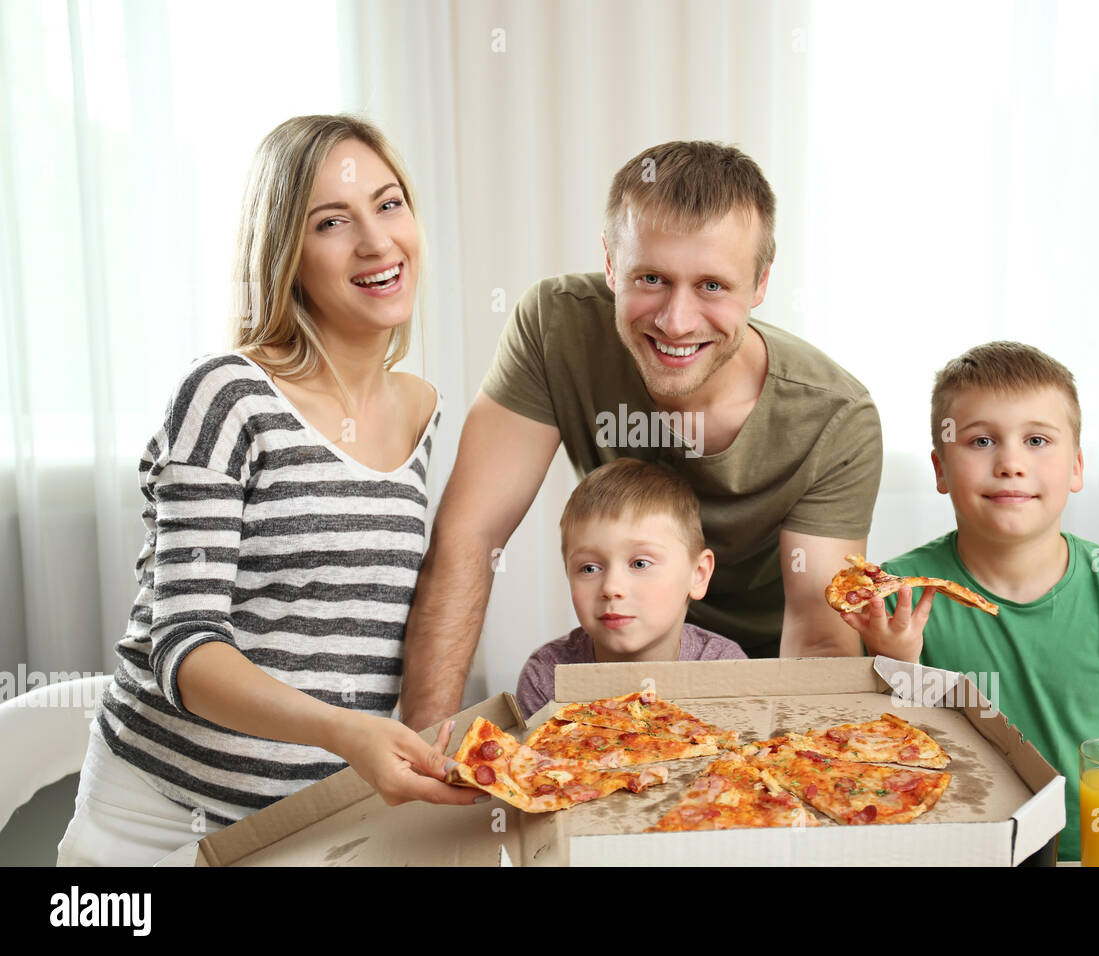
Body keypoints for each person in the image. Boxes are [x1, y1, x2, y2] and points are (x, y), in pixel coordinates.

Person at [57, 114, 481, 867]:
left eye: (389, 205)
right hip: (158, 813)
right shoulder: (227, 394)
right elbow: (184, 647)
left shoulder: (422, 409)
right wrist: (349, 733)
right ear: (285, 253)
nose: (378, 242)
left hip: (307, 824)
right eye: (331, 222)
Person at [402, 141, 882, 731]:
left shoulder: (836, 417)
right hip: (610, 677)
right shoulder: (554, 327)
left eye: (712, 286)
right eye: (651, 278)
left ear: (760, 283)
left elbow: (819, 638)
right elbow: (467, 538)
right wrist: (428, 746)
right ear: (610, 264)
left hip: (757, 694)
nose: (675, 321)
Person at [841, 341, 1099, 862]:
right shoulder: (895, 594)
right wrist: (897, 663)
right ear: (941, 470)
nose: (1011, 462)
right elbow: (878, 757)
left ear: (1076, 468)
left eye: (1037, 440)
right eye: (982, 440)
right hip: (973, 850)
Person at [515, 458, 746, 718]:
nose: (612, 588)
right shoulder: (547, 675)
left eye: (639, 563)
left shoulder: (724, 668)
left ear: (698, 575)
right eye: (589, 568)